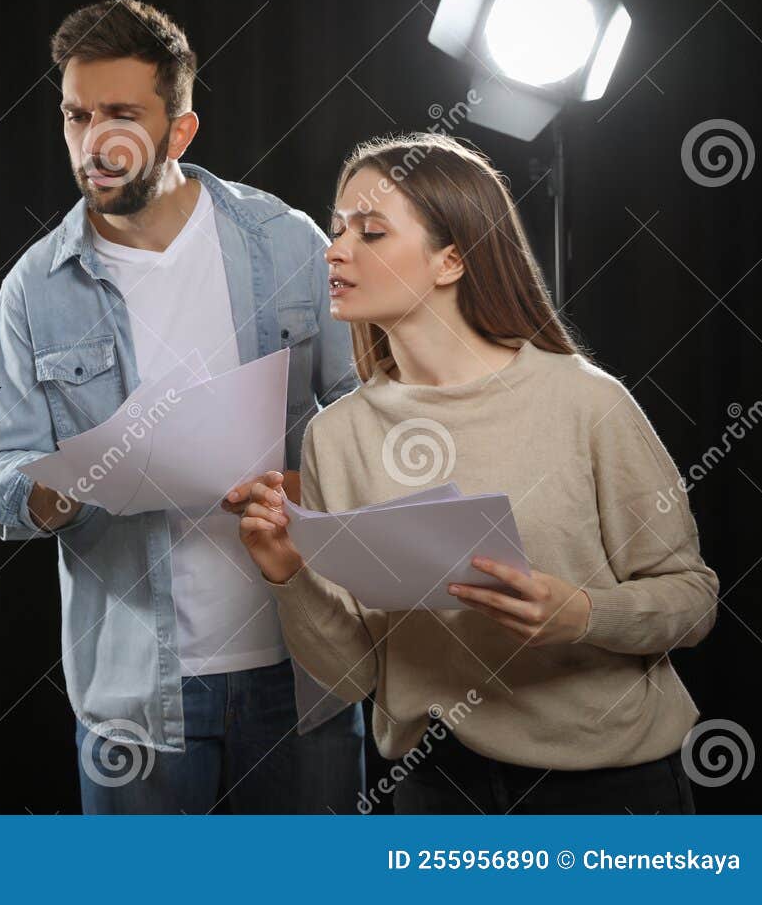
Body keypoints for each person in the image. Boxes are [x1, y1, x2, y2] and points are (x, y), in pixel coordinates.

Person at [237, 133, 719, 813]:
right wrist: (287, 571)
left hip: (611, 791)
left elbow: (692, 600)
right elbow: (353, 675)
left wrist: (580, 613)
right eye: (339, 226)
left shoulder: (586, 401)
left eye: (370, 231)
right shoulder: (335, 435)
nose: (336, 249)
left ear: (452, 259)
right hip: (439, 791)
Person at [0, 0, 364, 814]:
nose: (95, 141)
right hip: (136, 697)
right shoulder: (32, 290)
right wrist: (72, 483)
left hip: (303, 671)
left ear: (179, 130)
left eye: (122, 114)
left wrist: (308, 487)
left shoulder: (286, 242)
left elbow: (370, 415)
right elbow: (0, 488)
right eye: (77, 114)